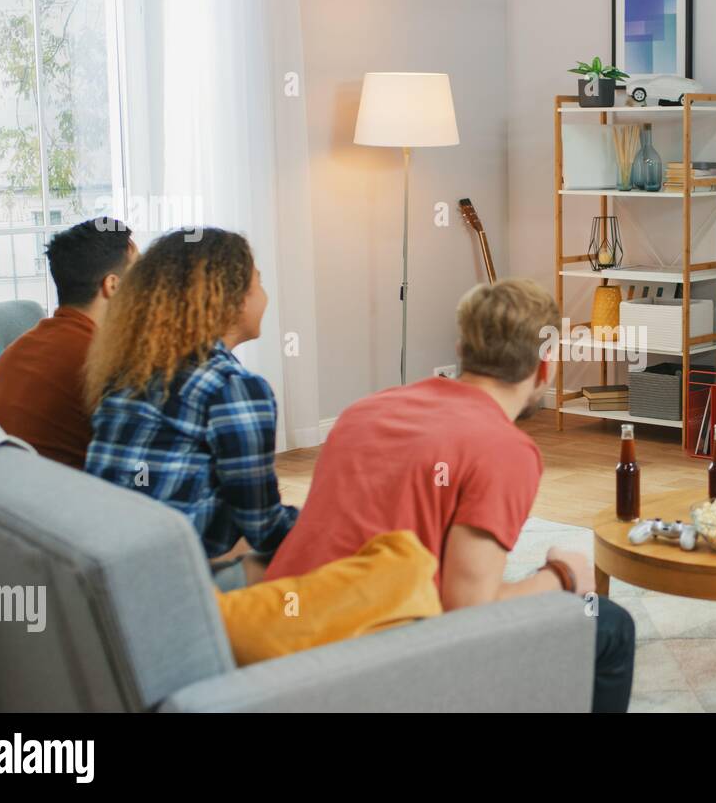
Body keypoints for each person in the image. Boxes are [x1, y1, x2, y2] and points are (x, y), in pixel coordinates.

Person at [266, 278, 635, 712]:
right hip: (368, 667)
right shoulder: (504, 449)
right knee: (608, 623)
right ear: (546, 366)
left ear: (461, 351)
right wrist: (564, 576)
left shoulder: (366, 409)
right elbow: (468, 612)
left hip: (281, 645)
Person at [84, 228, 295, 587]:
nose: (265, 295)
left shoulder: (126, 370)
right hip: (169, 588)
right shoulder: (233, 387)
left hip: (108, 573)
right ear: (233, 299)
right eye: (258, 283)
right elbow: (265, 529)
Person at [0, 218, 138, 468]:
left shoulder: (16, 351)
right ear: (113, 285)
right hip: (73, 500)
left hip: (6, 496)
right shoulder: (106, 362)